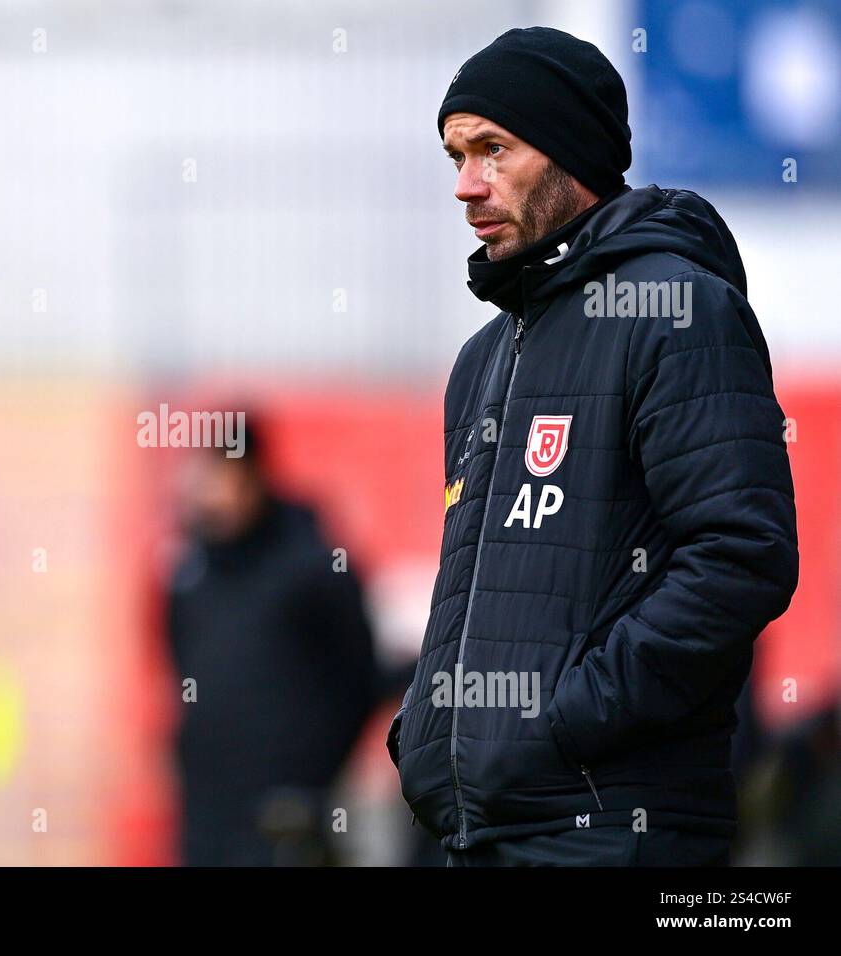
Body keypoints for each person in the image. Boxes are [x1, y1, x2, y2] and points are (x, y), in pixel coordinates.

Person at [386, 27, 798, 867]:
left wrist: (567, 714)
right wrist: (429, 726)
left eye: (493, 150)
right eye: (456, 156)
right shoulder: (483, 358)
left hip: (610, 832)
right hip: (483, 831)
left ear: (570, 152)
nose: (467, 185)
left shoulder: (676, 310)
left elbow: (740, 555)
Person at [165, 421, 379, 865]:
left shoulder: (316, 567)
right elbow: (180, 666)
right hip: (206, 817)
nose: (210, 491)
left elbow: (362, 679)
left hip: (288, 821)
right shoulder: (189, 573)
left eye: (224, 475)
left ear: (254, 477)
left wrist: (312, 779)